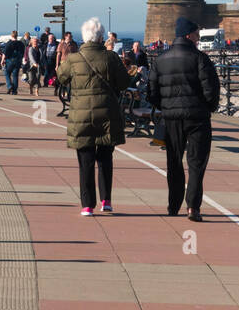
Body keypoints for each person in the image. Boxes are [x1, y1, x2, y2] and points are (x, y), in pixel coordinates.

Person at [147, 16, 220, 221]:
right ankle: (193, 207)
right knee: (196, 162)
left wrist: (164, 106)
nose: (198, 38)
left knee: (174, 161)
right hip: (197, 117)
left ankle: (173, 205)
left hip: (171, 118)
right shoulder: (200, 58)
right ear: (189, 35)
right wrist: (208, 107)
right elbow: (211, 88)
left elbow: (151, 91)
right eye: (196, 34)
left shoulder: (160, 59)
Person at [57, 17, 131, 215]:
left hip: (81, 116)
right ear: (100, 38)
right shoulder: (111, 58)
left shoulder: (74, 58)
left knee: (85, 160)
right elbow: (124, 83)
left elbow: (61, 78)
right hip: (107, 113)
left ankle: (87, 205)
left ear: (84, 37)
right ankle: (106, 200)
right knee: (106, 158)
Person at [1, 30, 25, 95]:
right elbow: (23, 53)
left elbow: (4, 53)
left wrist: (2, 60)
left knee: (7, 73)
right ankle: (14, 91)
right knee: (15, 75)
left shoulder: (9, 43)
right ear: (17, 36)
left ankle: (9, 85)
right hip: (18, 61)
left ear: (11, 35)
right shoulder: (21, 43)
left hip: (10, 61)